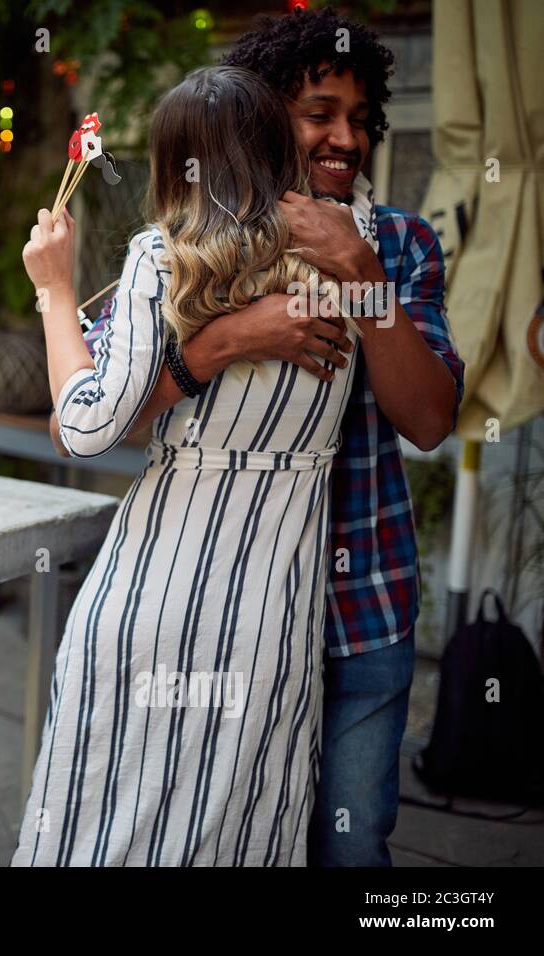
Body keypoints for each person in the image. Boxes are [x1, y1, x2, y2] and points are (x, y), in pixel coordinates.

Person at [69, 6, 465, 866]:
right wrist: (226, 340)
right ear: (263, 115)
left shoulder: (400, 242)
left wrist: (361, 273)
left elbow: (430, 420)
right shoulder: (195, 243)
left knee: (350, 849)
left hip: (360, 606)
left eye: (361, 118)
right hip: (220, 604)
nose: (346, 138)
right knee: (221, 837)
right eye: (321, 113)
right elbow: (109, 412)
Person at [15, 64, 367, 866]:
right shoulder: (348, 258)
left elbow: (86, 427)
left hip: (155, 592)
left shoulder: (162, 259)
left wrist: (55, 292)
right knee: (240, 831)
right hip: (272, 609)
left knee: (105, 829)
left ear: (174, 164)